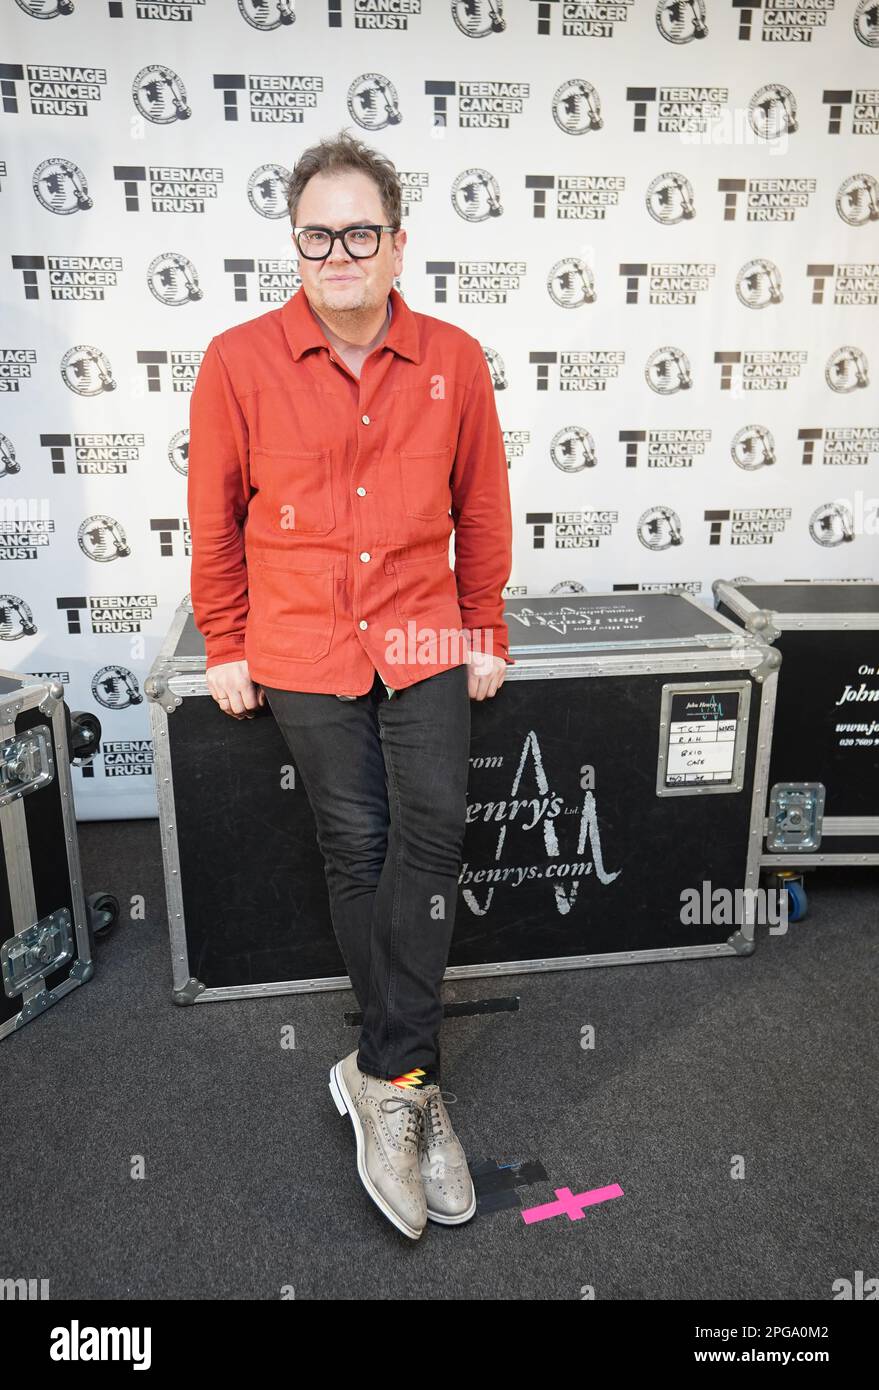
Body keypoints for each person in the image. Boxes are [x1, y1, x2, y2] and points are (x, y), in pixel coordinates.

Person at [187, 129, 514, 1242]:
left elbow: (481, 511)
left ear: (396, 242)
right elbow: (216, 518)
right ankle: (408, 1082)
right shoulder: (236, 361)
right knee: (358, 845)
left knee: (434, 833)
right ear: (295, 243)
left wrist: (486, 625)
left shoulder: (457, 360)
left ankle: (390, 1076)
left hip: (423, 630)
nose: (339, 252)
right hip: (301, 636)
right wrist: (225, 641)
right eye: (318, 234)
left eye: (358, 232)